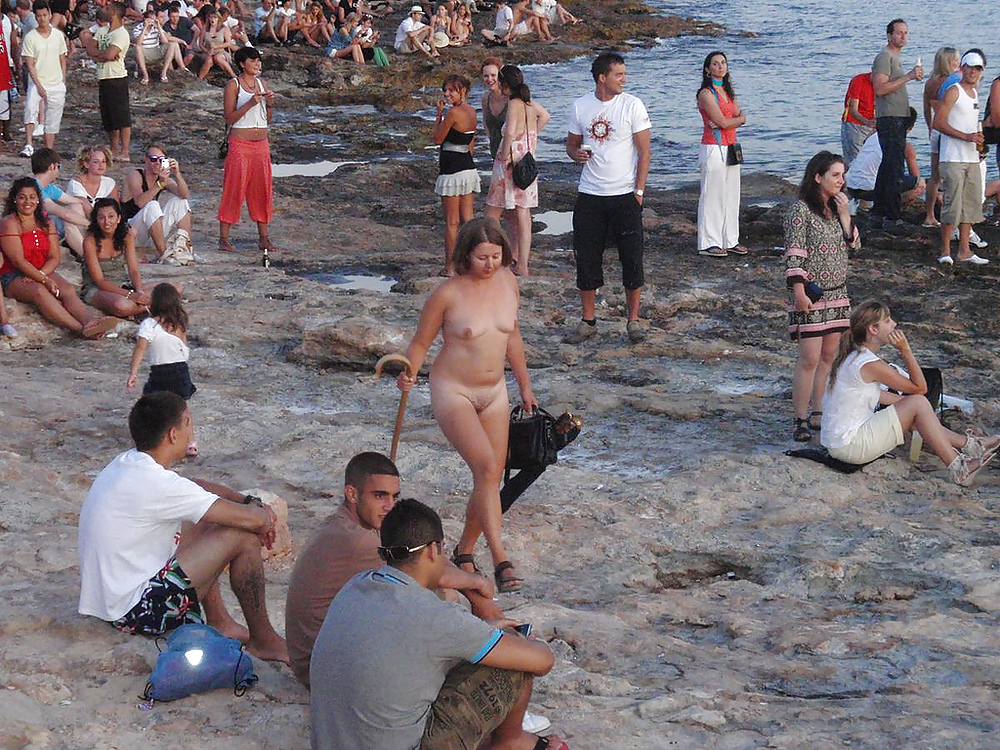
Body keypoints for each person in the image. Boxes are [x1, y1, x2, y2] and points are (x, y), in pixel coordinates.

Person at [310, 498, 570, 750]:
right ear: (434, 550)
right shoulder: (435, 616)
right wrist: (517, 638)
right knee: (514, 660)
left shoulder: (357, 585)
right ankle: (510, 742)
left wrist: (481, 630)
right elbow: (541, 661)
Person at [78, 391, 289, 663]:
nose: (192, 430)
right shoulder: (158, 485)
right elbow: (252, 521)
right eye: (188, 422)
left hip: (112, 603)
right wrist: (261, 516)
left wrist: (247, 500)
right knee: (241, 536)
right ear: (173, 435)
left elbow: (196, 489)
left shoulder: (129, 464)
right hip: (137, 614)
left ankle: (220, 621)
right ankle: (264, 640)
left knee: (202, 517)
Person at [285, 451, 507, 688]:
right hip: (323, 669)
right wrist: (478, 584)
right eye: (380, 496)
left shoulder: (347, 524)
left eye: (394, 496)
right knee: (443, 600)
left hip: (321, 656)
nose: (389, 506)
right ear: (352, 494)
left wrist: (474, 591)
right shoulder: (358, 541)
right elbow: (434, 573)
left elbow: (424, 553)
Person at [398, 217, 537, 593]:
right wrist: (407, 370)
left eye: (496, 256)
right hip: (453, 388)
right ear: (465, 256)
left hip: (495, 389)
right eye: (481, 257)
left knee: (489, 476)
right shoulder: (447, 294)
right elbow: (420, 343)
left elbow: (513, 336)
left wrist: (525, 385)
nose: (490, 264)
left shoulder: (509, 283)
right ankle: (500, 559)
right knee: (488, 467)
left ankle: (465, 549)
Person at [821, 301, 998, 486]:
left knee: (917, 409)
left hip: (839, 443)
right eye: (888, 321)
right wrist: (905, 350)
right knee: (919, 402)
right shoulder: (869, 364)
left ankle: (971, 446)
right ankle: (959, 468)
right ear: (873, 329)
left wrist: (922, 415)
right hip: (850, 446)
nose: (894, 324)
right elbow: (920, 389)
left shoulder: (854, 355)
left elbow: (879, 396)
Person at [564, 51, 651, 344]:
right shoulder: (580, 106)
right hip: (590, 194)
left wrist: (639, 191)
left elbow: (645, 151)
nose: (624, 79)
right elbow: (572, 145)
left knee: (632, 257)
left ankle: (634, 320)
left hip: (625, 194)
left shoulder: (632, 105)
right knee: (586, 257)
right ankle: (588, 320)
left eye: (624, 74)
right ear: (603, 78)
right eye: (618, 74)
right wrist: (575, 154)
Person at [784, 151, 859, 442]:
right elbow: (794, 253)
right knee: (809, 359)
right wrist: (799, 292)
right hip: (812, 295)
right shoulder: (800, 210)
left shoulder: (836, 210)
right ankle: (800, 418)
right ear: (818, 177)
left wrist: (844, 215)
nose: (841, 181)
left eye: (843, 175)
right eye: (835, 175)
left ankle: (819, 411)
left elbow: (854, 245)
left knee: (829, 356)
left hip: (838, 294)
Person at [0, 177, 118, 338]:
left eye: (32, 197)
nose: (28, 201)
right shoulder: (9, 223)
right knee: (40, 292)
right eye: (22, 197)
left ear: (38, 199)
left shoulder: (46, 222)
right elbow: (17, 260)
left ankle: (91, 323)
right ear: (15, 199)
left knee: (68, 289)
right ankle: (79, 329)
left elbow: (54, 257)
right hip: (14, 275)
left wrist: (41, 275)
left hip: (42, 270)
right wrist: (42, 280)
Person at [485, 64, 550, 276]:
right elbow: (546, 116)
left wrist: (504, 154)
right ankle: (522, 262)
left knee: (493, 209)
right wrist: (531, 137)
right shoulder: (528, 103)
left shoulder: (514, 103)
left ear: (505, 84)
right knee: (524, 213)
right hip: (528, 160)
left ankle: (499, 256)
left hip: (511, 161)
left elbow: (510, 132)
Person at [218, 46, 276, 258]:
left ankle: (263, 238)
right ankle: (223, 237)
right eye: (253, 61)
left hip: (261, 144)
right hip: (240, 143)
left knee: (262, 189)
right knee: (234, 187)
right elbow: (229, 118)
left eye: (259, 61)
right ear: (242, 64)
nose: (257, 64)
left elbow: (267, 119)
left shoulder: (263, 84)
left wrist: (269, 104)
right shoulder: (233, 85)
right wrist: (251, 102)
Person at [934, 50, 988, 267]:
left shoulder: (974, 94)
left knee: (971, 204)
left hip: (971, 157)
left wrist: (977, 142)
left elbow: (971, 125)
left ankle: (964, 250)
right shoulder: (953, 92)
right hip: (953, 157)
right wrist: (966, 136)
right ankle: (945, 251)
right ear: (962, 68)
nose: (973, 72)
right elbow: (939, 122)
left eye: (977, 69)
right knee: (952, 204)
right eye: (970, 67)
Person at [870, 18, 922, 226]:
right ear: (889, 35)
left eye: (906, 33)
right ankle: (892, 215)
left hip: (897, 116)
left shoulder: (894, 57)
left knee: (888, 165)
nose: (903, 36)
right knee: (894, 167)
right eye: (899, 32)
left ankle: (878, 212)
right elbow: (880, 88)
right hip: (890, 117)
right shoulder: (885, 56)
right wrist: (908, 76)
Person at [696, 50, 747, 259]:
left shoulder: (728, 92)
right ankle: (709, 242)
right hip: (713, 147)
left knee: (731, 194)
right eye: (715, 64)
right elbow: (727, 121)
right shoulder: (706, 94)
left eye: (723, 63)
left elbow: (738, 117)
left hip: (731, 146)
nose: (720, 66)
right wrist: (734, 121)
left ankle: (730, 239)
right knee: (712, 194)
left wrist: (734, 121)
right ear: (708, 69)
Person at [432, 73, 479, 276]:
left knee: (452, 222)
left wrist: (439, 114)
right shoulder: (472, 112)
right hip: (468, 168)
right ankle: (471, 262)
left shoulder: (453, 113)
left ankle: (450, 267)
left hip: (451, 171)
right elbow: (471, 143)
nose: (447, 94)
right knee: (468, 219)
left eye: (452, 90)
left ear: (463, 91)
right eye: (446, 90)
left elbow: (437, 138)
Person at [80, 197, 151, 318]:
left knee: (174, 289)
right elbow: (99, 281)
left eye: (111, 216)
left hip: (123, 285)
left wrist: (139, 292)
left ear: (118, 218)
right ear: (96, 220)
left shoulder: (126, 236)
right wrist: (130, 295)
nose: (106, 221)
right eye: (101, 217)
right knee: (122, 306)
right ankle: (148, 308)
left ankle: (138, 309)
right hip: (98, 289)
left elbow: (133, 269)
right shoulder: (90, 241)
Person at [122, 144, 193, 264]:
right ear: (146, 159)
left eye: (161, 160)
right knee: (152, 205)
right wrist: (159, 184)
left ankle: (184, 248)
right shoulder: (135, 175)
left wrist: (177, 174)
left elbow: (184, 195)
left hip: (152, 232)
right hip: (132, 231)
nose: (157, 163)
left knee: (180, 202)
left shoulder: (162, 179)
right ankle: (165, 254)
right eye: (153, 159)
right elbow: (140, 202)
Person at [845, 107, 925, 211]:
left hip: (851, 185)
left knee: (874, 174)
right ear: (910, 127)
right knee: (921, 184)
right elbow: (916, 177)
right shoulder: (906, 146)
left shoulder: (873, 135)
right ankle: (889, 205)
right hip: (871, 190)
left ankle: (863, 208)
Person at [81, 1, 132, 161]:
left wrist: (99, 55)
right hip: (103, 76)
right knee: (109, 116)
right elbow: (90, 49)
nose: (105, 10)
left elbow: (111, 55)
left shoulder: (121, 34)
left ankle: (125, 151)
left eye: (108, 9)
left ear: (115, 13)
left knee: (122, 116)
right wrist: (101, 55)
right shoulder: (102, 30)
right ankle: (114, 149)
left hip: (117, 77)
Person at [20, 0, 67, 158]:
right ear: (35, 16)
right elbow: (30, 64)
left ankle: (49, 149)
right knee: (30, 112)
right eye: (39, 16)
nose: (42, 19)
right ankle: (29, 144)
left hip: (56, 82)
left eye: (45, 15)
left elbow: (62, 59)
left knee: (53, 118)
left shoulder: (58, 36)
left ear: (49, 14)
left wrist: (63, 80)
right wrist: (38, 85)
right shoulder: (31, 37)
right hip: (37, 81)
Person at [921, 47, 959, 228]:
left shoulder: (930, 83)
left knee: (934, 176)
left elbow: (926, 109)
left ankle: (929, 215)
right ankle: (950, 215)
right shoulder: (954, 83)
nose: (958, 63)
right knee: (952, 173)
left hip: (936, 130)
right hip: (949, 129)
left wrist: (930, 128)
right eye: (956, 60)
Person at [32, 146, 91, 259]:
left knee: (76, 206)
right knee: (68, 220)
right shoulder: (34, 187)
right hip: (36, 231)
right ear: (52, 166)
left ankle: (87, 247)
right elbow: (62, 212)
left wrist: (87, 207)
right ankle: (88, 257)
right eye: (59, 167)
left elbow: (75, 201)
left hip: (45, 226)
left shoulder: (48, 187)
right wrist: (91, 225)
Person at [840, 72, 876, 168]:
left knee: (871, 159)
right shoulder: (859, 81)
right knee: (854, 160)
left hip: (872, 125)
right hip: (854, 124)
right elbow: (853, 110)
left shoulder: (882, 84)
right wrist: (866, 121)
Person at [197, 6, 236, 79]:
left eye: (215, 18)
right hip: (208, 51)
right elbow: (201, 44)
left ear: (218, 19)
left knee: (218, 58)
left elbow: (228, 43)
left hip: (221, 51)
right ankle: (200, 78)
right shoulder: (204, 30)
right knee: (209, 60)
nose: (212, 20)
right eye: (211, 17)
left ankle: (232, 75)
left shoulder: (224, 29)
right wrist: (207, 51)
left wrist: (216, 47)